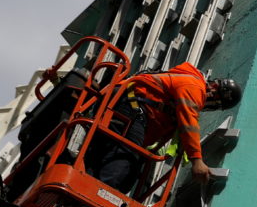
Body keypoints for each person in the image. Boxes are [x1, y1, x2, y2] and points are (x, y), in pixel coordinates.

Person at [87, 63, 242, 193]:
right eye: (215, 104)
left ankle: (89, 188)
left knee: (128, 169)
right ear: (214, 89)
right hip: (130, 106)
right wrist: (197, 160)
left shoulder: (187, 87)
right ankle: (95, 196)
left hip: (129, 108)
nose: (208, 106)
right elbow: (188, 122)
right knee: (126, 156)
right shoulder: (195, 87)